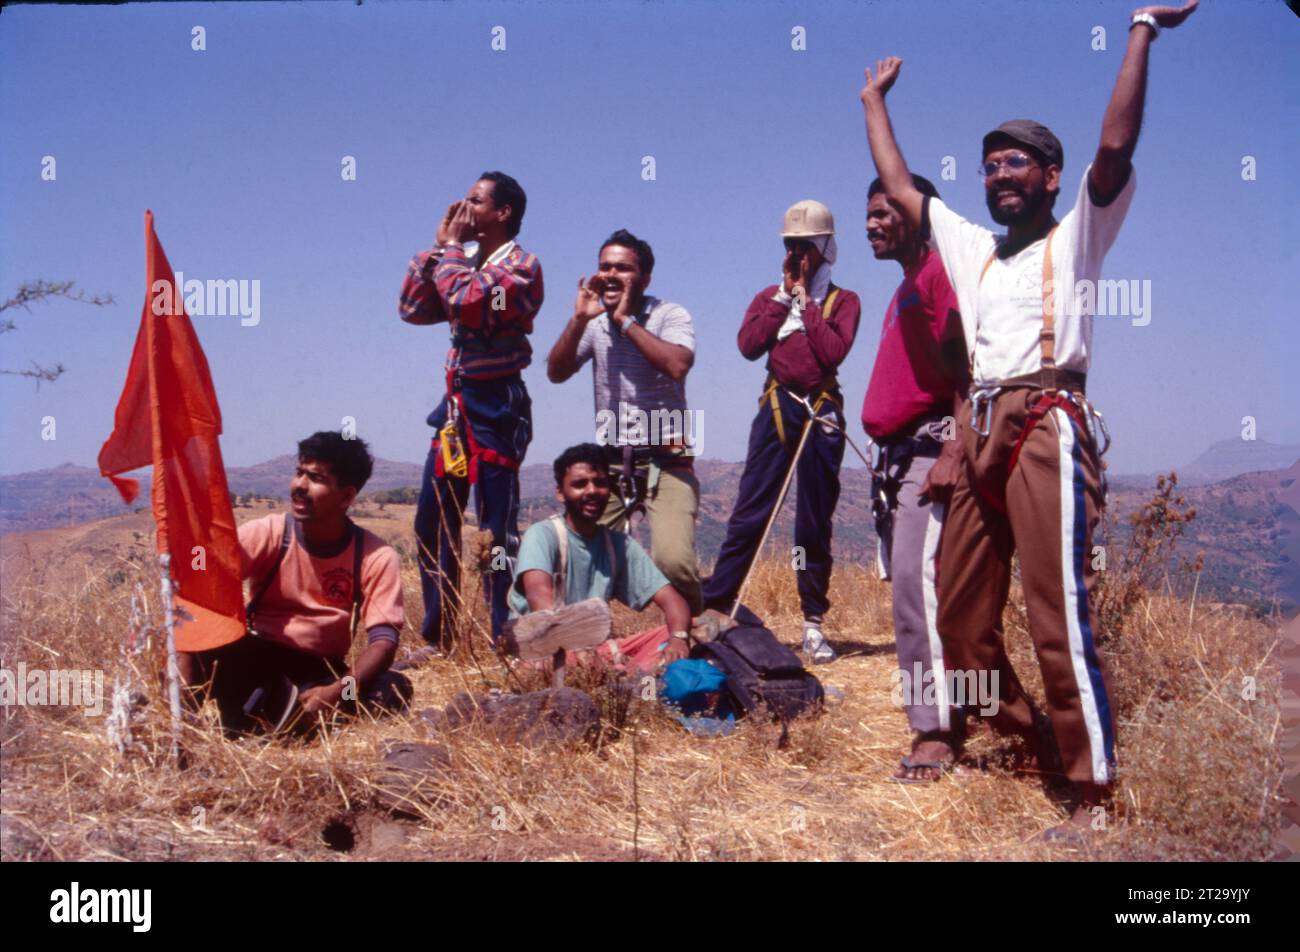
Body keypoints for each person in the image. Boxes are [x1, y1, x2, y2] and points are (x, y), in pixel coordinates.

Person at [858, 0, 1199, 834]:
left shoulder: (1078, 235)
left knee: (1056, 607)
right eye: (990, 165)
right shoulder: (972, 248)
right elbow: (903, 189)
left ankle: (1090, 791)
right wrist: (875, 104)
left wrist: (1143, 27)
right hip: (974, 428)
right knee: (959, 613)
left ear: (1050, 177)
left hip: (1046, 418)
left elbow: (1114, 147)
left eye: (1019, 164)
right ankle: (1022, 738)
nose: (1002, 175)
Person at [701, 200, 862, 664]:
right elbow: (748, 346)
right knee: (751, 510)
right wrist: (782, 297)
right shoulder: (767, 299)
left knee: (813, 518)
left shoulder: (843, 301)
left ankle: (813, 623)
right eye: (792, 247)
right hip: (778, 407)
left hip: (821, 410)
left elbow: (832, 352)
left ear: (826, 249)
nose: (798, 255)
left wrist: (808, 304)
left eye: (806, 247)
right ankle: (717, 607)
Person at [399, 171, 544, 652]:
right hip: (457, 407)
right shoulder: (465, 262)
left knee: (495, 527)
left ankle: (505, 634)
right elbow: (412, 309)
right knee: (433, 518)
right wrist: (441, 249)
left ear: (503, 212)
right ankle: (440, 635)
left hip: (497, 403)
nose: (465, 208)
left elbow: (467, 299)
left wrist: (453, 251)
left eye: (475, 201)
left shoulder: (522, 268)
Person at [182, 432, 411, 735]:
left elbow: (384, 643)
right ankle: (181, 723)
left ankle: (302, 719)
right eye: (299, 472)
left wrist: (336, 694)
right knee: (192, 629)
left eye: (315, 477)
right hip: (255, 659)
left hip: (319, 673)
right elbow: (201, 591)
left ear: (346, 496)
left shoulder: (375, 555)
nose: (299, 486)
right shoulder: (270, 533)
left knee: (393, 688)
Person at [860, 174, 970, 782]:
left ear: (914, 213)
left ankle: (933, 732)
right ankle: (956, 712)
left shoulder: (936, 275)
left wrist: (954, 449)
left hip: (928, 457)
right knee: (919, 587)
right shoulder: (906, 286)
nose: (872, 223)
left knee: (916, 588)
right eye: (868, 214)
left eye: (882, 212)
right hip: (901, 458)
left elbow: (968, 367)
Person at [545, 229, 702, 613]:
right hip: (612, 462)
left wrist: (627, 322)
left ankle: (695, 633)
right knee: (586, 560)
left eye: (623, 269)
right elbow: (556, 371)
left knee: (673, 561)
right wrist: (579, 319)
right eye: (604, 267)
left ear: (645, 278)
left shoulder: (669, 314)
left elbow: (678, 365)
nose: (611, 275)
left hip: (667, 460)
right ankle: (585, 647)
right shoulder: (593, 323)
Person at [510, 443, 694, 673]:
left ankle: (628, 680)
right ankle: (627, 678)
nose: (591, 491)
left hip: (597, 651)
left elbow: (672, 600)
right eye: (579, 484)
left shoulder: (618, 544)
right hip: (545, 650)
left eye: (600, 482)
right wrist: (583, 653)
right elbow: (542, 605)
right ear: (560, 492)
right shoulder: (543, 535)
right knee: (567, 662)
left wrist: (678, 638)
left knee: (695, 629)